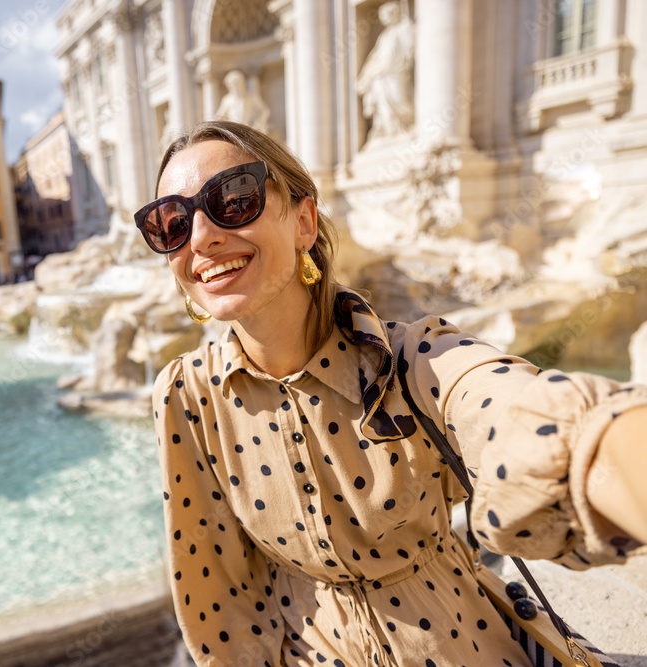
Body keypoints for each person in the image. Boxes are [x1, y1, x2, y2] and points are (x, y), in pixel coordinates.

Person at [136, 120, 647, 666]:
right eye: (171, 223)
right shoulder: (186, 396)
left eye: (234, 200)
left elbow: (530, 418)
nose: (201, 238)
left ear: (303, 221)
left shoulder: (416, 359)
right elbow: (220, 600)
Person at [356, 1, 415, 141]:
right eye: (382, 15)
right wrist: (367, 75)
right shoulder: (384, 36)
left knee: (401, 102)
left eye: (387, 14)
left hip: (397, 73)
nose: (384, 18)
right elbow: (375, 57)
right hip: (382, 75)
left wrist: (408, 28)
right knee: (382, 104)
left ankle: (405, 127)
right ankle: (387, 129)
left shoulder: (403, 28)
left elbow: (411, 49)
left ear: (395, 14)